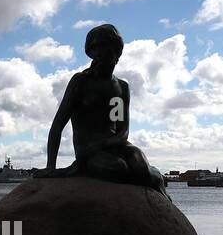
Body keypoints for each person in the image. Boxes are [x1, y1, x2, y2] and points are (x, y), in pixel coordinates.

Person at [36, 23, 166, 194]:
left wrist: (108, 143)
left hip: (117, 146)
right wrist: (50, 166)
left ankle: (154, 176)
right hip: (89, 152)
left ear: (117, 51)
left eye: (106, 46)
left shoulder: (120, 87)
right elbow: (58, 125)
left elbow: (121, 128)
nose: (102, 52)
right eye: (96, 47)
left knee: (140, 165)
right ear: (91, 52)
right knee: (118, 169)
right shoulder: (81, 82)